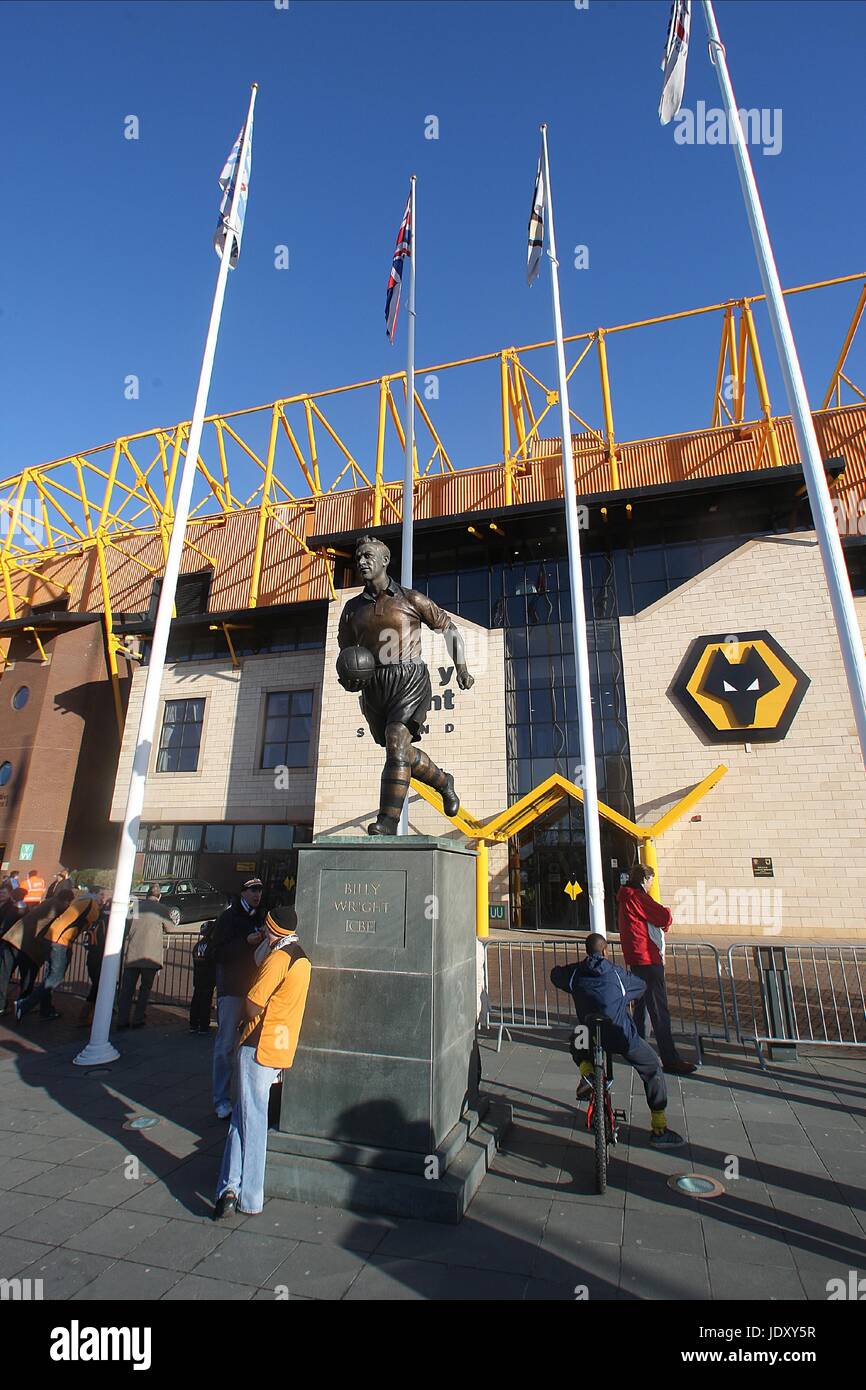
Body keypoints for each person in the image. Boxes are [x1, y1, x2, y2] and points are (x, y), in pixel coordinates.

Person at [337, 534, 475, 835]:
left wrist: (461, 669)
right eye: (358, 556)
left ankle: (387, 821)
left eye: (368, 555)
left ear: (385, 561)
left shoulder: (410, 599)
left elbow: (449, 630)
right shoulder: (350, 610)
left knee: (397, 742)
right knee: (400, 752)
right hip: (374, 686)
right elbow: (346, 654)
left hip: (409, 678)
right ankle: (443, 781)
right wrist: (348, 678)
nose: (361, 561)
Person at [214, 905, 311, 1219]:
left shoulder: (279, 959)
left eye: (268, 929)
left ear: (274, 931)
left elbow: (254, 1003)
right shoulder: (303, 959)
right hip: (280, 1043)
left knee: (249, 1118)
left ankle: (246, 1192)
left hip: (258, 1042)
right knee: (248, 1115)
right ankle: (231, 1188)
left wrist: (243, 1015)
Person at [551, 934, 685, 1149]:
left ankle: (588, 1073)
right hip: (619, 1035)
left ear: (586, 951)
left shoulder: (575, 973)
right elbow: (641, 986)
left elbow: (556, 975)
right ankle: (659, 1127)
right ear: (605, 952)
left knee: (577, 1038)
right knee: (652, 1067)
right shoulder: (617, 975)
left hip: (589, 1035)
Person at [616, 864, 696, 1076]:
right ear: (645, 879)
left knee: (641, 1006)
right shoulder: (638, 897)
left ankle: (636, 1048)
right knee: (658, 1009)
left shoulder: (626, 897)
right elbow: (663, 917)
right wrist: (667, 915)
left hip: (636, 956)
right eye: (651, 880)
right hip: (647, 957)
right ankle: (669, 1057)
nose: (652, 884)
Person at [210, 877, 267, 1119]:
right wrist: (245, 942)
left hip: (254, 990)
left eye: (260, 890)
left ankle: (247, 1096)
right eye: (253, 890)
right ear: (242, 892)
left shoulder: (261, 917)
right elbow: (217, 952)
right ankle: (221, 1099)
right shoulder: (228, 918)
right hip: (232, 989)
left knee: (252, 1046)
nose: (257, 894)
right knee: (225, 1046)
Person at [14, 891, 95, 1023]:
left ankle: (46, 1009)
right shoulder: (92, 905)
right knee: (55, 977)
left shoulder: (77, 903)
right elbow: (93, 923)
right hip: (60, 942)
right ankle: (24, 1005)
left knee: (49, 976)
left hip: (50, 939)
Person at [116, 885, 172, 1030]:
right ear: (159, 896)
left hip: (133, 953)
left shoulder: (135, 906)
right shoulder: (162, 909)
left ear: (147, 895)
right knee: (145, 989)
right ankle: (138, 1018)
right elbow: (171, 928)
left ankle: (122, 1019)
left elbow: (125, 928)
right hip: (150, 956)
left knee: (127, 990)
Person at [189, 918, 218, 1034]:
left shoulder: (198, 945)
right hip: (208, 976)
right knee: (206, 1001)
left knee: (196, 1000)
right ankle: (203, 1025)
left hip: (198, 976)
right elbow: (214, 959)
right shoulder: (212, 945)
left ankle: (193, 1024)